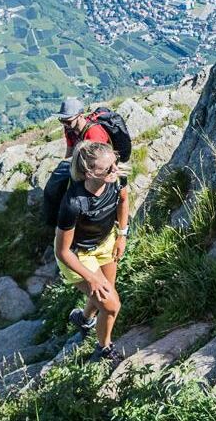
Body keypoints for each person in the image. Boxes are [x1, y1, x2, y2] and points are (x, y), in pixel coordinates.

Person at [54, 141, 129, 361]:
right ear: (88, 172)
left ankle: (84, 320)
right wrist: (91, 278)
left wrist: (122, 235)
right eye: (107, 169)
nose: (115, 170)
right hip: (79, 254)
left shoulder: (117, 178)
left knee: (107, 294)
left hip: (106, 241)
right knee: (112, 305)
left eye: (114, 164)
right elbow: (62, 251)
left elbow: (123, 200)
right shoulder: (73, 203)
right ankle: (104, 348)